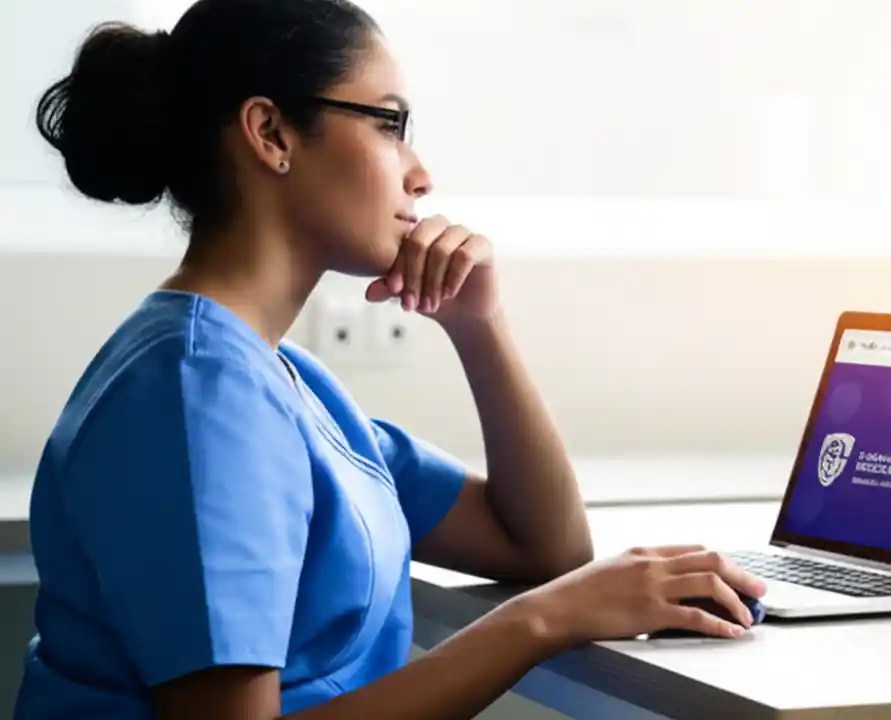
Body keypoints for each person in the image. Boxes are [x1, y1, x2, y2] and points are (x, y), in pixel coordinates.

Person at [15, 1, 765, 717]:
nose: (420, 173)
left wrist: (481, 324)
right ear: (270, 132)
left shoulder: (281, 380)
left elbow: (544, 547)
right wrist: (540, 623)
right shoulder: (197, 397)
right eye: (390, 123)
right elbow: (554, 586)